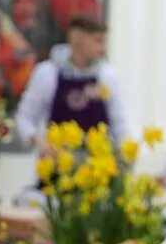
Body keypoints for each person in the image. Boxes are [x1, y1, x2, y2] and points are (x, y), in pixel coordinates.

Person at [14, 14, 130, 151]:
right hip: (56, 164)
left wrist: (125, 155)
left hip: (98, 166)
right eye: (97, 41)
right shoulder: (47, 74)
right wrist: (37, 141)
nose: (102, 48)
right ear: (76, 39)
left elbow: (119, 123)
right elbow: (25, 117)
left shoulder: (107, 77)